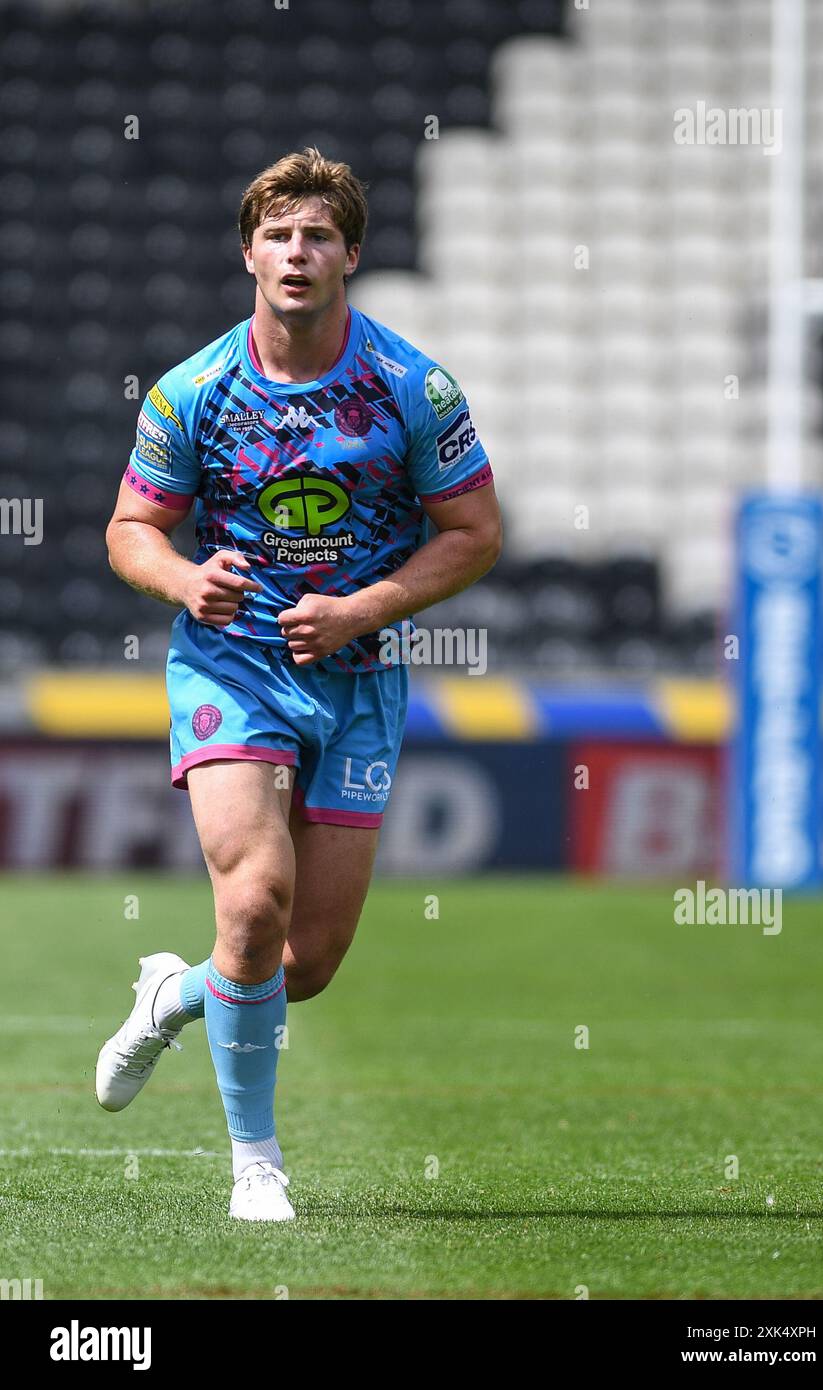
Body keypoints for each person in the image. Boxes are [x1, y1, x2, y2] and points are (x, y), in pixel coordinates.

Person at [96, 148, 502, 1221]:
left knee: (300, 962)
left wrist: (363, 608)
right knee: (253, 899)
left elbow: (475, 532)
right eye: (278, 234)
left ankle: (170, 995)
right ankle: (256, 1163)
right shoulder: (193, 389)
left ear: (350, 256)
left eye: (317, 235)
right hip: (232, 667)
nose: (296, 251)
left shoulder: (413, 387)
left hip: (358, 675)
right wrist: (187, 579)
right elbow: (131, 527)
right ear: (248, 254)